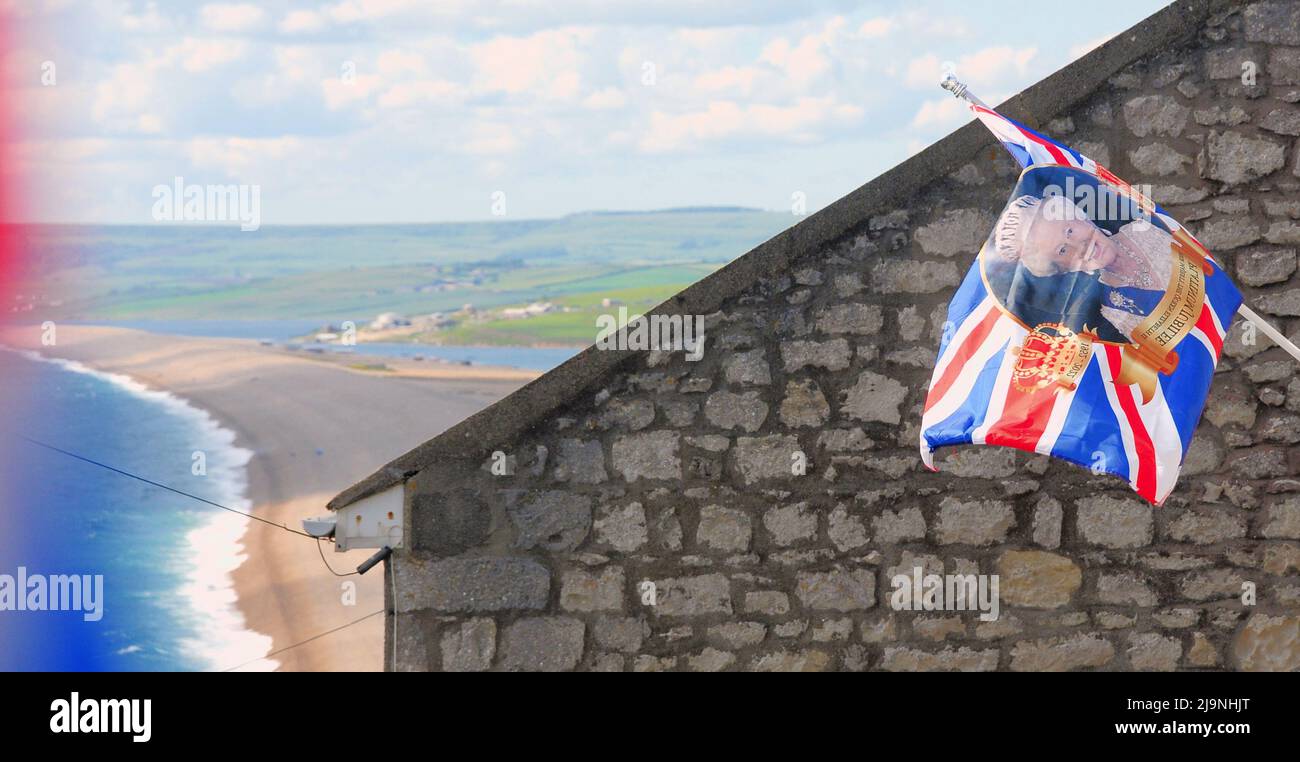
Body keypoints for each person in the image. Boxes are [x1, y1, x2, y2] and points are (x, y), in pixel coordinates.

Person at [987, 194, 1171, 343]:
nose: (1080, 246)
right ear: (1064, 268)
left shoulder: (1145, 228)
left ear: (1079, 215)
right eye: (1062, 250)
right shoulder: (1109, 312)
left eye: (1069, 231)